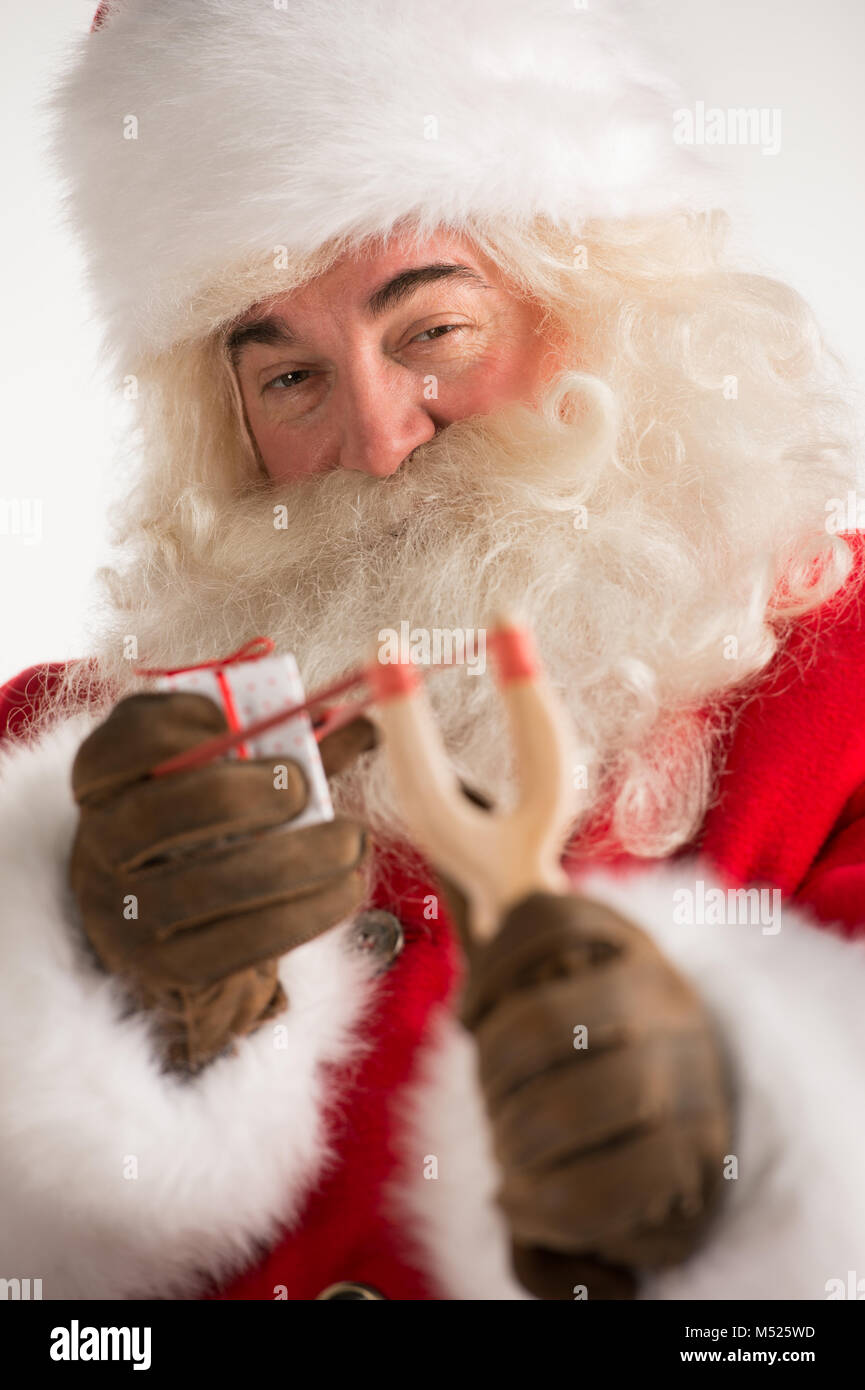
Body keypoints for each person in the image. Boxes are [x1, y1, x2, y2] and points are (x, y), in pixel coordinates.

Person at [1, 0, 864, 1302]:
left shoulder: (842, 685)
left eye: (431, 330)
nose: (377, 439)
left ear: (597, 313)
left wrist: (718, 1146)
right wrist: (73, 1012)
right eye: (286, 375)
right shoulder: (57, 765)